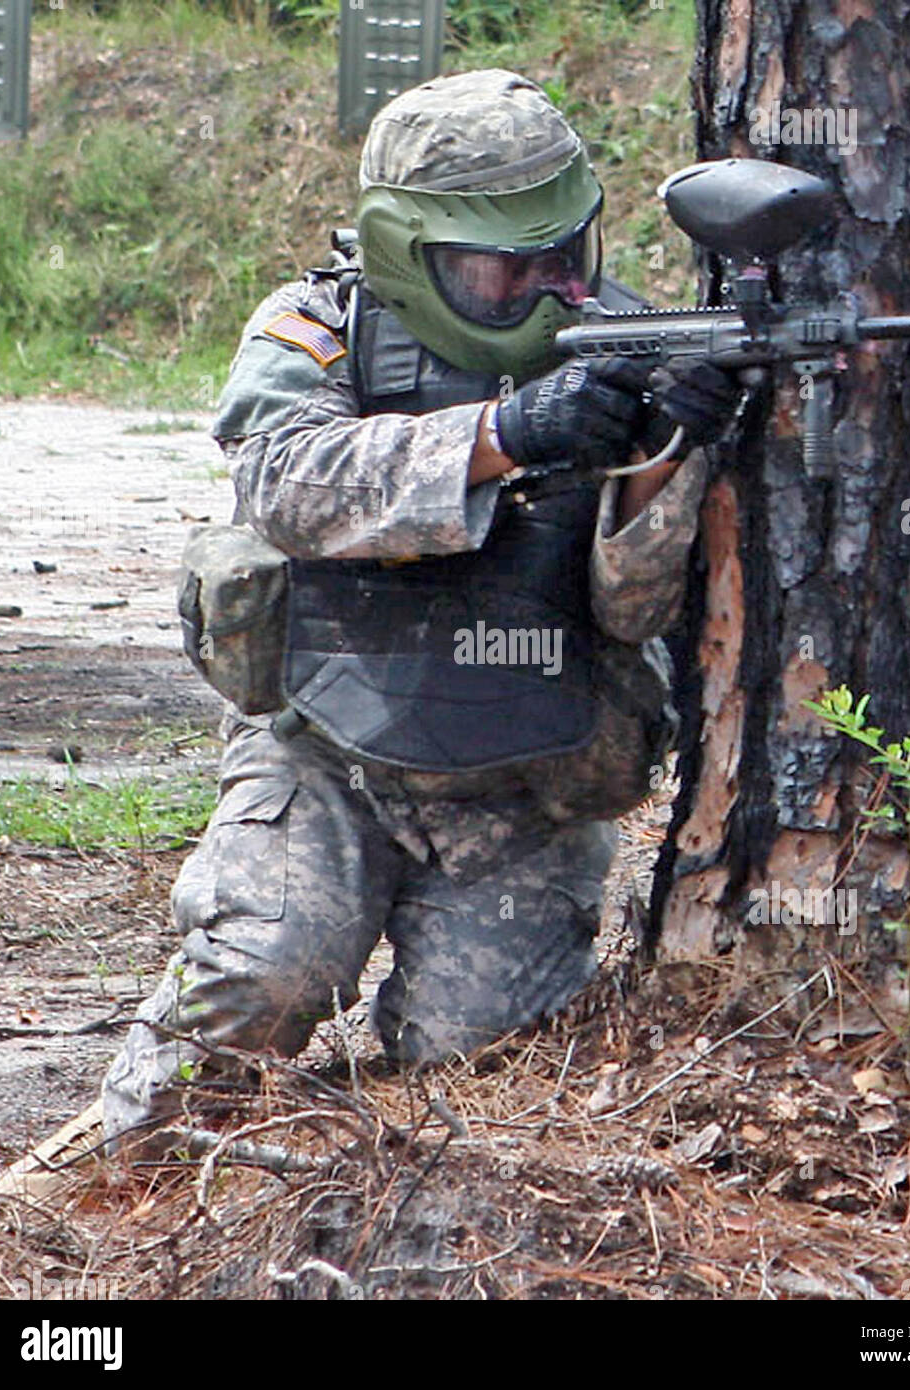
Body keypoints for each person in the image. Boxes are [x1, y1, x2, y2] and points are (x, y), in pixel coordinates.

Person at [101, 69, 740, 1153]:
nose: (549, 292)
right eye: (507, 268)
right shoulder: (321, 323)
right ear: (412, 251)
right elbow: (288, 485)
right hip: (324, 750)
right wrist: (510, 434)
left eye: (565, 255)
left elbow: (633, 612)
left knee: (483, 1078)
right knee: (256, 978)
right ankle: (126, 1183)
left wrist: (662, 455)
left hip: (525, 787)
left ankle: (365, 1200)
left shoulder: (624, 343)